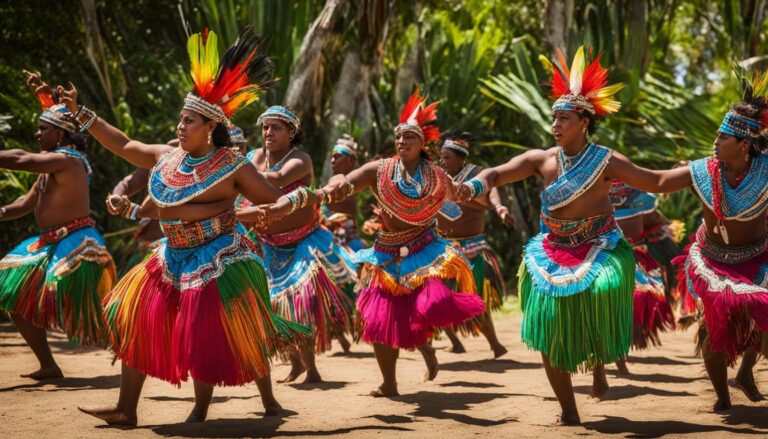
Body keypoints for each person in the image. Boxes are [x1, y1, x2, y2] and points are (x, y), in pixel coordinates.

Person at [70, 27, 310, 426]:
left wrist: (303, 199)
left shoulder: (234, 166)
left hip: (221, 257)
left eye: (189, 121)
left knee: (219, 331)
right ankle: (126, 408)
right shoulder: (168, 156)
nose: (180, 127)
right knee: (140, 322)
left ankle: (220, 406)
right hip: (172, 254)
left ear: (210, 127)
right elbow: (126, 145)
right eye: (180, 120)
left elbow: (273, 199)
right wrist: (82, 114)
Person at [457, 47, 692, 424]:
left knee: (596, 301)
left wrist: (703, 168)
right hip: (551, 251)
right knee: (550, 332)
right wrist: (471, 188)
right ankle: (569, 411)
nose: (555, 125)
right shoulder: (542, 159)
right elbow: (496, 174)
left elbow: (657, 181)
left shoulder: (606, 160)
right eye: (554, 118)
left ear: (584, 122)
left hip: (600, 247)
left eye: (563, 118)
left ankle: (600, 364)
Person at [247, 90, 486, 397]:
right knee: (379, 321)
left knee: (428, 308)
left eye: (409, 137)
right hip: (386, 253)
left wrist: (474, 188)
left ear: (421, 143)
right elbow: (347, 181)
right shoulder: (380, 170)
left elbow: (459, 193)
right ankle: (389, 383)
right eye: (398, 137)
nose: (401, 142)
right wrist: (336, 185)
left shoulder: (436, 176)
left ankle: (424, 345)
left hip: (426, 249)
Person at [0, 71, 116, 380]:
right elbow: (24, 206)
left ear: (61, 134)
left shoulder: (68, 160)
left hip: (76, 243)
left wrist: (49, 100)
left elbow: (22, 159)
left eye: (42, 129)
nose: (37, 135)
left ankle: (138, 341)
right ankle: (49, 365)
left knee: (86, 307)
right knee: (16, 300)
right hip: (48, 244)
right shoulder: (50, 164)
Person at [237, 106, 358, 382]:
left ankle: (311, 368)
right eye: (265, 127)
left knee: (298, 307)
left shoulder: (300, 159)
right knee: (276, 307)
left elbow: (277, 179)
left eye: (276, 127)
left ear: (291, 132)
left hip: (304, 243)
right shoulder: (254, 157)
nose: (268, 132)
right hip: (267, 244)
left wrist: (237, 170)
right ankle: (296, 364)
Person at [672, 67, 768, 411]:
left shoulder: (766, 170)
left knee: (762, 311)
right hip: (712, 260)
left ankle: (744, 372)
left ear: (744, 144)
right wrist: (609, 167)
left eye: (723, 137)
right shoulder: (701, 171)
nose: (715, 140)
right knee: (711, 329)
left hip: (758, 257)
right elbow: (654, 181)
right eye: (716, 134)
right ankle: (723, 396)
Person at [436, 133, 514, 358]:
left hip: (472, 248)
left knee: (475, 298)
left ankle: (495, 345)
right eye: (441, 157)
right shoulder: (439, 177)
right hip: (443, 248)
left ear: (461, 159)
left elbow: (492, 194)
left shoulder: (476, 175)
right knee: (437, 298)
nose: (442, 162)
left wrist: (500, 208)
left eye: (447, 157)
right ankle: (455, 342)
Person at [609, 181, 674, 375]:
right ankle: (617, 356)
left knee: (628, 305)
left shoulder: (638, 197)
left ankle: (618, 353)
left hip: (634, 257)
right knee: (617, 307)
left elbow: (653, 218)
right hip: (607, 255)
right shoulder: (594, 196)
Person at [322, 134, 369, 252]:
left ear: (350, 160)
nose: (332, 161)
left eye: (337, 157)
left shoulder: (344, 187)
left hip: (345, 248)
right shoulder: (339, 183)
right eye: (332, 157)